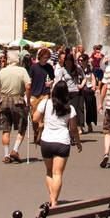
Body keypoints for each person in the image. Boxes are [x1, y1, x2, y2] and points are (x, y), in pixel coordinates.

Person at [33, 80, 81, 208]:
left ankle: (52, 197)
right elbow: (74, 128)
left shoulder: (46, 103)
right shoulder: (70, 108)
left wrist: (42, 122)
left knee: (49, 171)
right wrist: (78, 142)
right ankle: (54, 200)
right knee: (58, 173)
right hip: (62, 141)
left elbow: (35, 118)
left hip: (47, 141)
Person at [0, 49, 31, 164]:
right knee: (22, 125)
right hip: (18, 99)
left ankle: (6, 154)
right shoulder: (22, 70)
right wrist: (28, 101)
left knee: (6, 128)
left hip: (3, 100)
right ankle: (15, 149)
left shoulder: (2, 71)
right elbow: (28, 86)